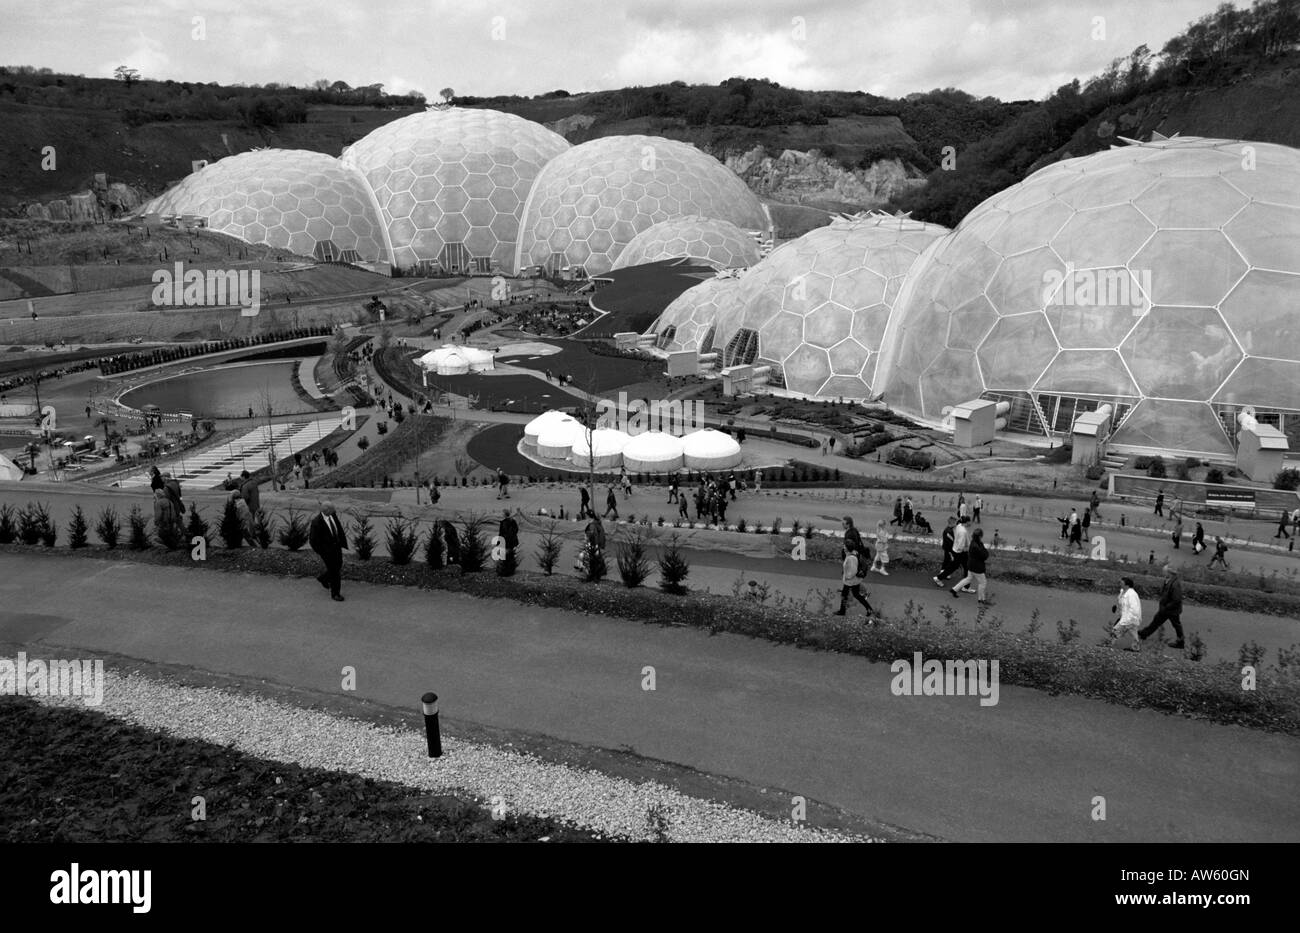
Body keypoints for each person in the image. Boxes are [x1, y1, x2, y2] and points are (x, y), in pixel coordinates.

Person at [308, 503, 348, 602]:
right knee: (335, 572)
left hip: (337, 547)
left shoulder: (332, 515)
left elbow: (337, 527)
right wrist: (322, 552)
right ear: (327, 511)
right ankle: (335, 594)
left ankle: (323, 578)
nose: (335, 511)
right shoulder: (316, 522)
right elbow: (313, 541)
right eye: (333, 509)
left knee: (339, 565)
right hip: (327, 552)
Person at [1139, 564, 1185, 649]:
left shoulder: (1175, 584)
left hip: (1171, 610)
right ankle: (1144, 633)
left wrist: (1166, 607)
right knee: (1157, 620)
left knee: (1175, 625)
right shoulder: (1169, 580)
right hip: (1167, 609)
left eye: (1164, 571)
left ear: (1169, 573)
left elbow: (1176, 599)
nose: (1162, 572)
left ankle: (1180, 642)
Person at [833, 544, 875, 619]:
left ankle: (842, 611)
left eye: (845, 546)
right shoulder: (851, 553)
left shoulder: (851, 557)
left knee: (845, 594)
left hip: (851, 580)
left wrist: (847, 577)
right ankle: (869, 610)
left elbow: (853, 571)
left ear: (848, 548)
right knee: (855, 594)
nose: (843, 547)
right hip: (853, 580)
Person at [950, 528, 990, 604]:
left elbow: (984, 554)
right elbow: (985, 555)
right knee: (983, 583)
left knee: (968, 579)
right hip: (977, 568)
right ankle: (981, 599)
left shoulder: (973, 543)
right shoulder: (978, 545)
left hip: (971, 565)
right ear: (980, 536)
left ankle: (954, 589)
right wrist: (984, 551)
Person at [1110, 577, 1142, 651]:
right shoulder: (1123, 591)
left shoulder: (1131, 595)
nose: (1119, 583)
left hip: (1130, 618)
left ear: (1127, 585)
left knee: (1116, 630)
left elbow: (1134, 609)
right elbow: (1120, 601)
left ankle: (1109, 644)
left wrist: (1127, 620)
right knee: (1133, 634)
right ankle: (1136, 648)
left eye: (1121, 582)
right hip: (1125, 617)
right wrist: (1116, 607)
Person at [933, 516, 958, 587]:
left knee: (947, 562)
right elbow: (950, 542)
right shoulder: (948, 531)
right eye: (955, 522)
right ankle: (941, 576)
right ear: (952, 523)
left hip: (948, 549)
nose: (956, 524)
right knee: (947, 562)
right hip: (949, 549)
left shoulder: (949, 530)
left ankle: (944, 575)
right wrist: (951, 552)